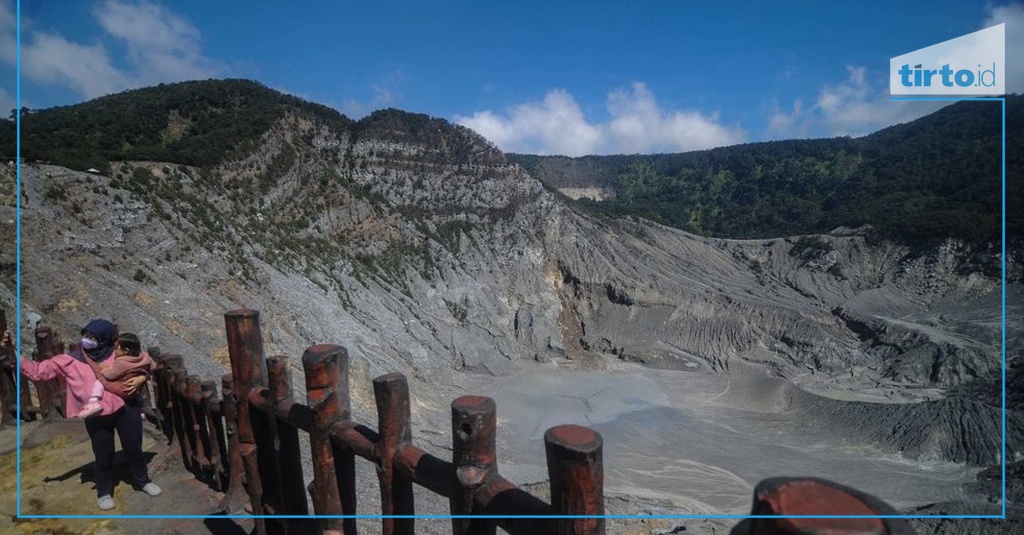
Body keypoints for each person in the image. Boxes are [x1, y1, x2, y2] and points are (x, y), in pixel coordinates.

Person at [7, 319, 162, 511]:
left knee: (134, 447)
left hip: (127, 407)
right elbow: (39, 372)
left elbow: (147, 364)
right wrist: (13, 349)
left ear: (105, 339)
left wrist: (142, 377)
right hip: (96, 413)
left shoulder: (119, 353)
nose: (86, 340)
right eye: (85, 335)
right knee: (103, 454)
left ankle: (142, 481)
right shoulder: (70, 360)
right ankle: (104, 492)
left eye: (92, 337)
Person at [78, 333, 155, 418]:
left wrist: (104, 368)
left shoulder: (122, 362)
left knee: (99, 381)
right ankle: (143, 410)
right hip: (135, 392)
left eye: (116, 349)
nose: (114, 352)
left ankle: (94, 401)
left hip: (123, 390)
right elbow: (154, 368)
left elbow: (110, 375)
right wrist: (144, 376)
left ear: (126, 350)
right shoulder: (145, 357)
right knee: (142, 393)